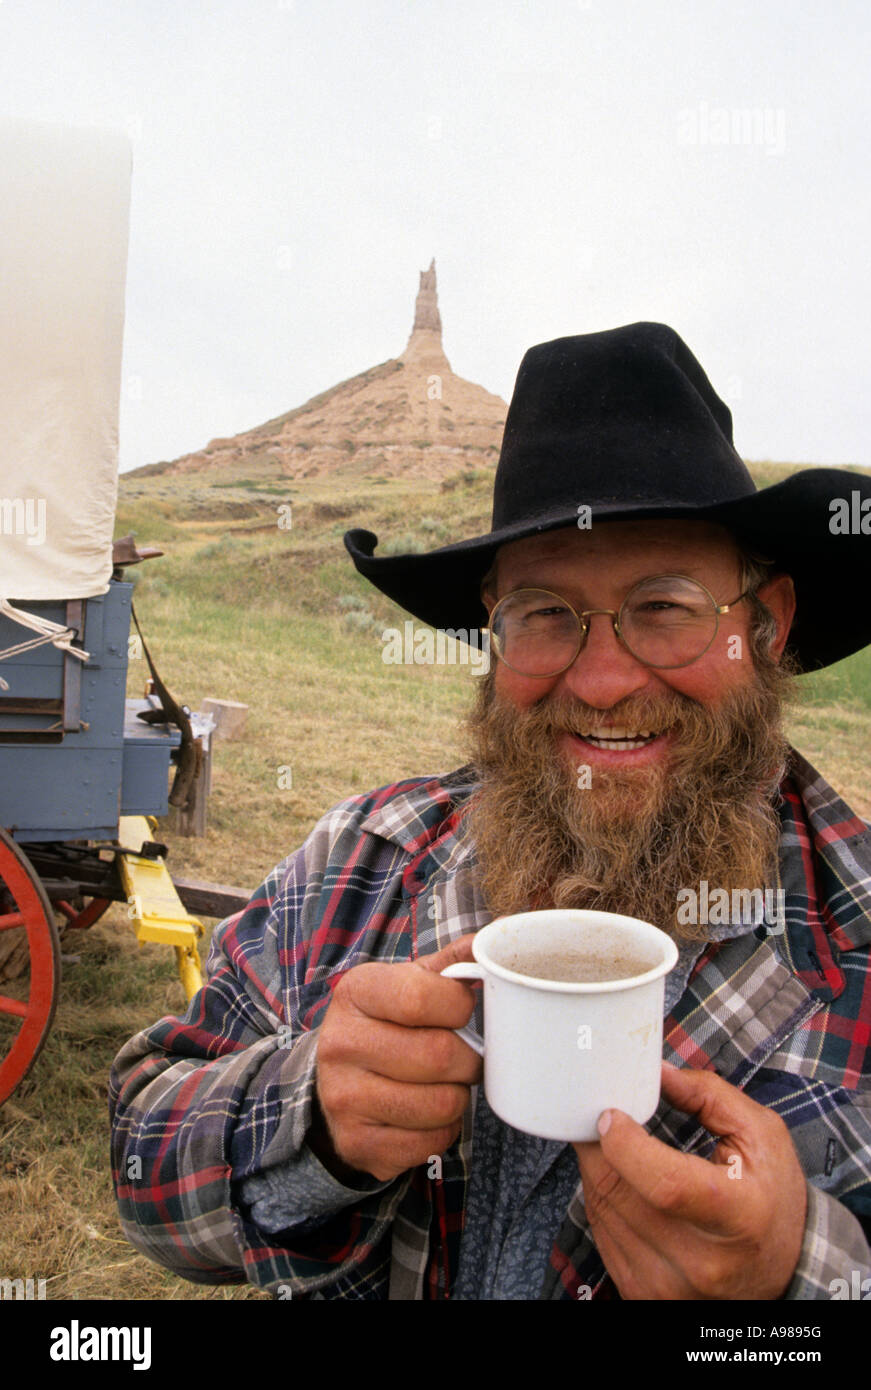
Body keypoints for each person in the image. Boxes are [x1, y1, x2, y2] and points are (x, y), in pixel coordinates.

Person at [109, 321, 871, 1300]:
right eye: (545, 612)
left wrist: (798, 1276)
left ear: (767, 626)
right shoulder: (365, 858)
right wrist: (307, 1117)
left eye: (666, 606)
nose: (599, 682)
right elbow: (140, 1158)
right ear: (492, 632)